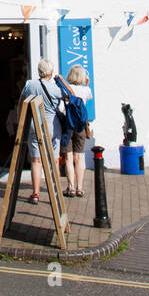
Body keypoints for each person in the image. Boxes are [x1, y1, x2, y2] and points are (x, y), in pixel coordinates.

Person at [19, 59, 69, 203]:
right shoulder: (54, 88)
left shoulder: (29, 84)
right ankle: (56, 192)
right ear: (51, 72)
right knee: (53, 160)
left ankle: (35, 193)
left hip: (34, 124)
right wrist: (61, 80)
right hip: (52, 126)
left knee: (36, 160)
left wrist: (21, 122)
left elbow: (22, 102)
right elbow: (69, 95)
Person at [56, 65, 93, 198]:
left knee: (68, 157)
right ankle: (80, 188)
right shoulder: (86, 90)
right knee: (79, 157)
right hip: (81, 126)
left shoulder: (65, 90)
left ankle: (70, 187)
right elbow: (89, 94)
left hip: (68, 125)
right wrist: (86, 83)